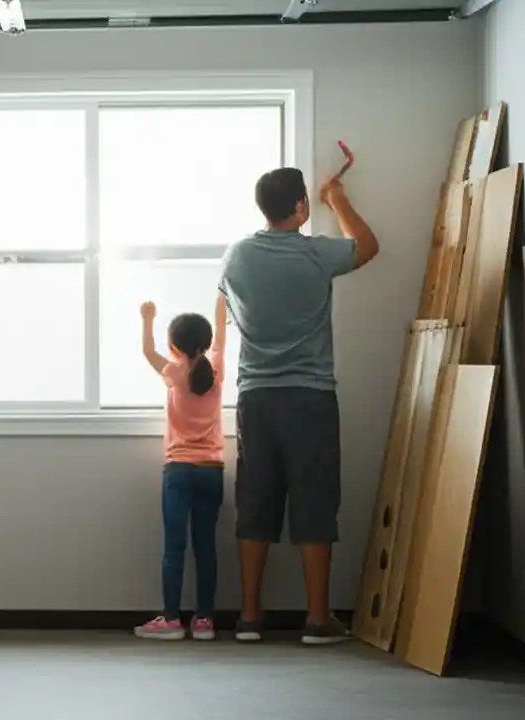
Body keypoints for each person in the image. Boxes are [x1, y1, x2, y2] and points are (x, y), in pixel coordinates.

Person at [219, 167, 379, 645]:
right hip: (309, 396)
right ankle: (317, 619)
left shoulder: (237, 255)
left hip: (256, 397)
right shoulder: (315, 253)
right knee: (315, 500)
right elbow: (368, 246)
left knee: (256, 499)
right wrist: (338, 200)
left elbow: (229, 307)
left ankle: (249, 617)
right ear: (301, 206)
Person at [134, 295, 228, 642]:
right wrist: (221, 307)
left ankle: (171, 619)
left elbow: (148, 352)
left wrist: (147, 318)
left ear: (174, 346)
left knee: (174, 547)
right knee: (206, 547)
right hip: (212, 469)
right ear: (205, 343)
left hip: (178, 471)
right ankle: (204, 619)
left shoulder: (174, 371)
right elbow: (220, 338)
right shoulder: (215, 368)